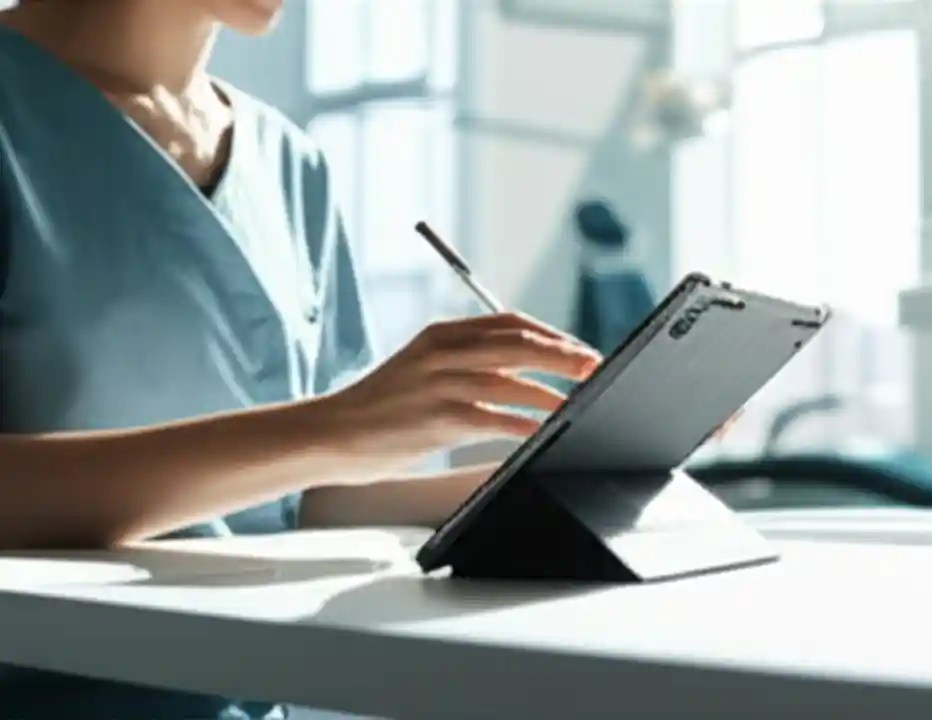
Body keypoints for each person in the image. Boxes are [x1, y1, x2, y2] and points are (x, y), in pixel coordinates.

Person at [0, 1, 602, 717]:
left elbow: (302, 498)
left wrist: (562, 481)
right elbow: (316, 446)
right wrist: (335, 429)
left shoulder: (287, 160)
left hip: (270, 690)